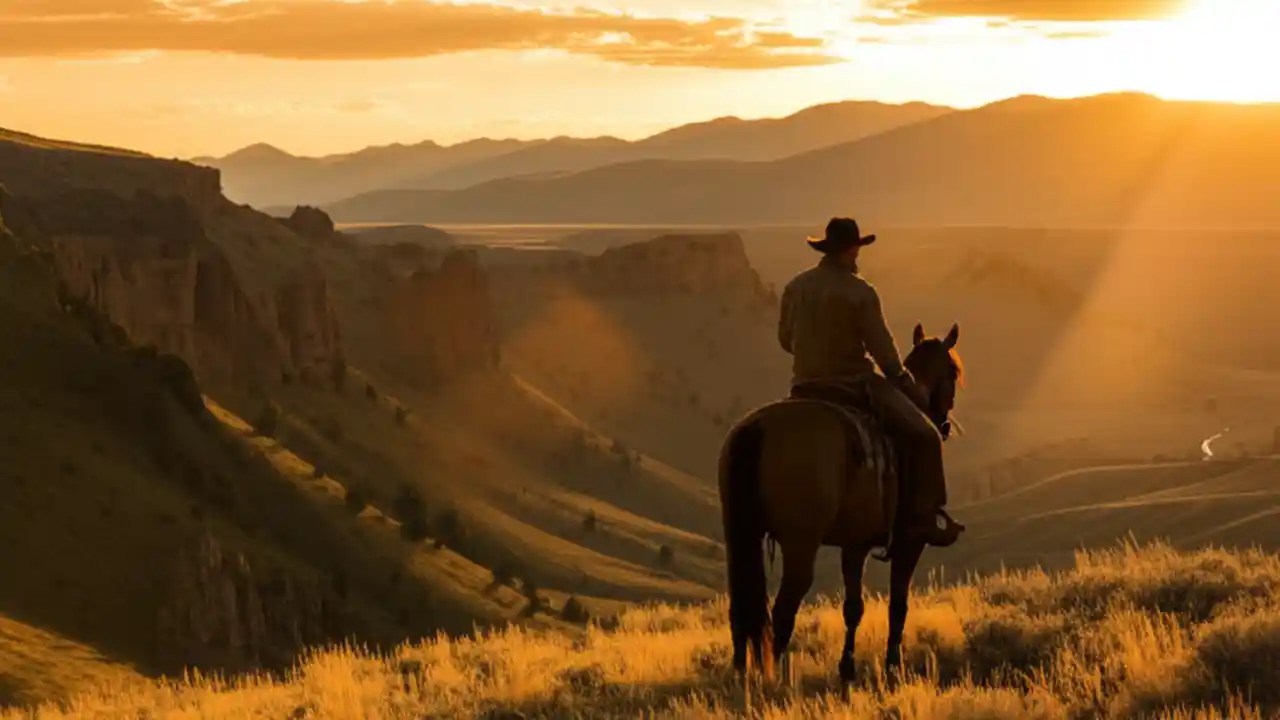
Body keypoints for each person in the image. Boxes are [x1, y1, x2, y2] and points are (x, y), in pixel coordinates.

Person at [777, 217, 958, 549]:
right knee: (925, 435)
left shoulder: (795, 287)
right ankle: (928, 517)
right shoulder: (861, 292)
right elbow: (885, 356)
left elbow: (786, 341)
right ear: (851, 250)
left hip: (804, 385)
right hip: (853, 383)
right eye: (857, 249)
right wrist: (907, 385)